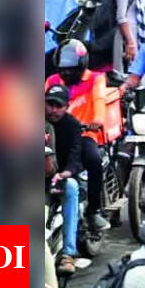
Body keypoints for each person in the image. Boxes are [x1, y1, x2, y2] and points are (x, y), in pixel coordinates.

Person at [44, 40, 110, 227]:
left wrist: (96, 121)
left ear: (81, 66)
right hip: (56, 132)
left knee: (93, 160)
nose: (65, 73)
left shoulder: (96, 79)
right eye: (62, 69)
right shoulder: (52, 81)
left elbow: (99, 102)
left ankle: (93, 211)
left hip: (85, 133)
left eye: (71, 69)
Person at [45, 84, 87, 275]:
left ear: (66, 106)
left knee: (71, 187)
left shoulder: (72, 126)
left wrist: (64, 174)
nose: (52, 110)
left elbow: (75, 156)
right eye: (49, 104)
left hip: (60, 175)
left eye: (57, 106)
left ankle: (69, 253)